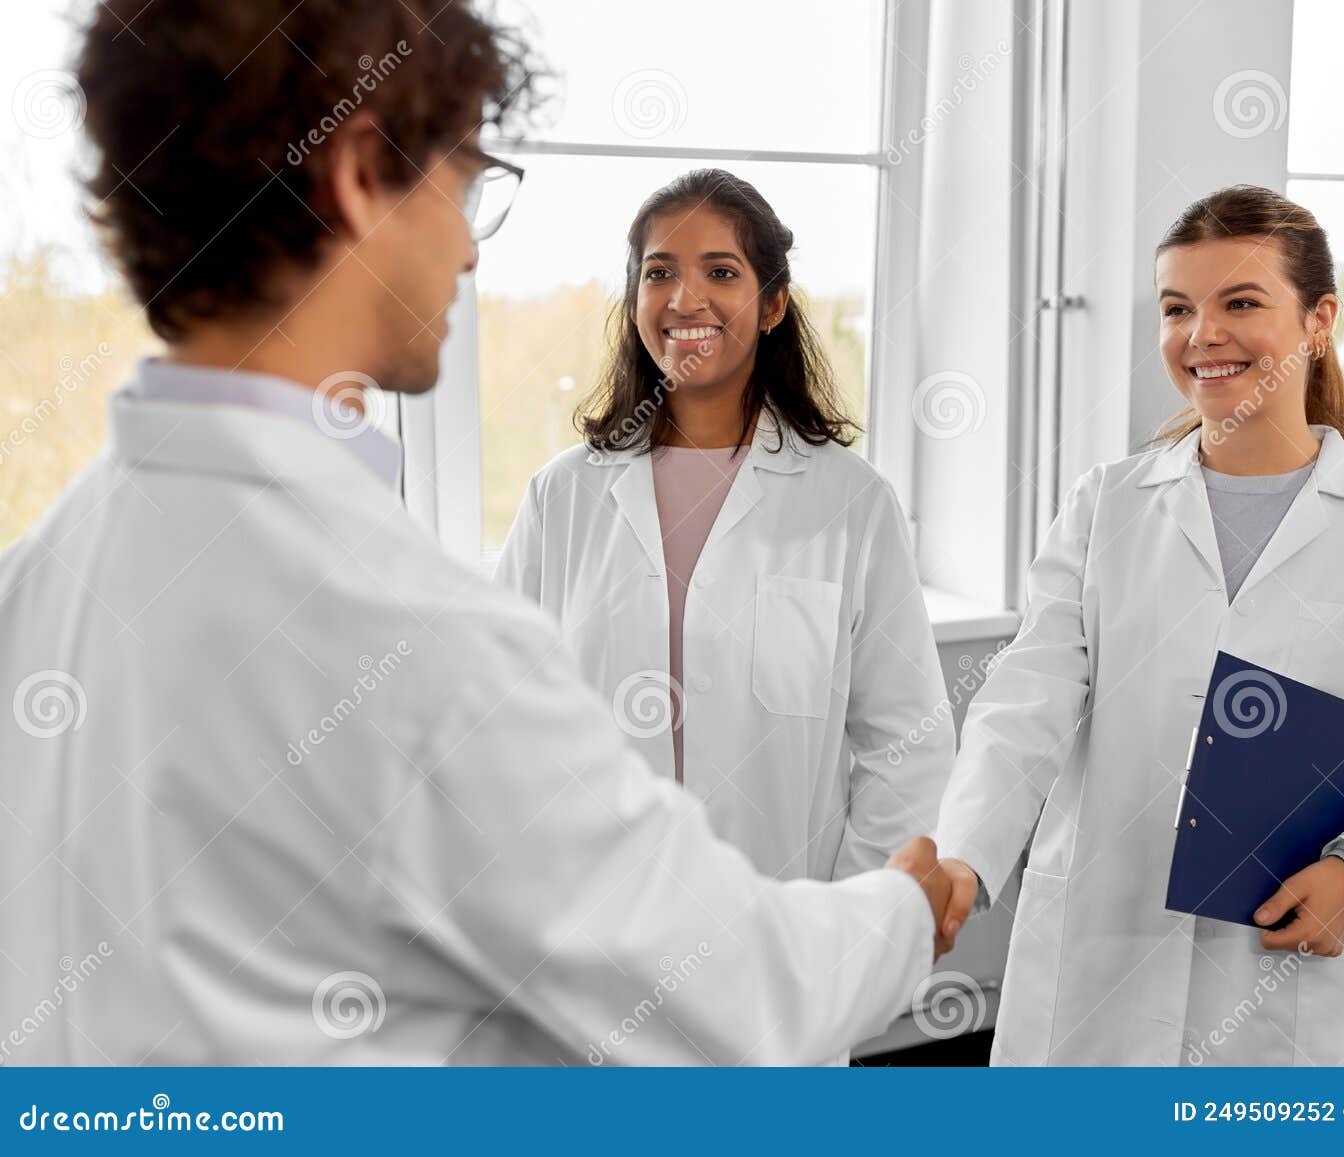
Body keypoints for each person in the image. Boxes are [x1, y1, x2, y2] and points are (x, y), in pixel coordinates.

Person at [0, 0, 951, 1066]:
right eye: (465, 181)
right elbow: (740, 993)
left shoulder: (40, 573)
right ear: (362, 175)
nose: (463, 248)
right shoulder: (400, 626)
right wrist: (902, 908)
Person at [931, 185, 1344, 1065]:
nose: (1202, 334)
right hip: (1098, 966)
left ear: (1319, 319)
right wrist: (966, 852)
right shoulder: (1107, 507)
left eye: (1240, 303)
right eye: (1178, 308)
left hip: (1275, 984)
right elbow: (1027, 697)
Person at [494, 169, 953, 886]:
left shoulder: (849, 502)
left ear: (771, 304)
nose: (685, 299)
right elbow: (505, 717)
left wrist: (847, 924)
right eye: (659, 272)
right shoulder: (564, 496)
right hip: (596, 920)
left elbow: (908, 744)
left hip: (784, 926)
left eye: (721, 271)